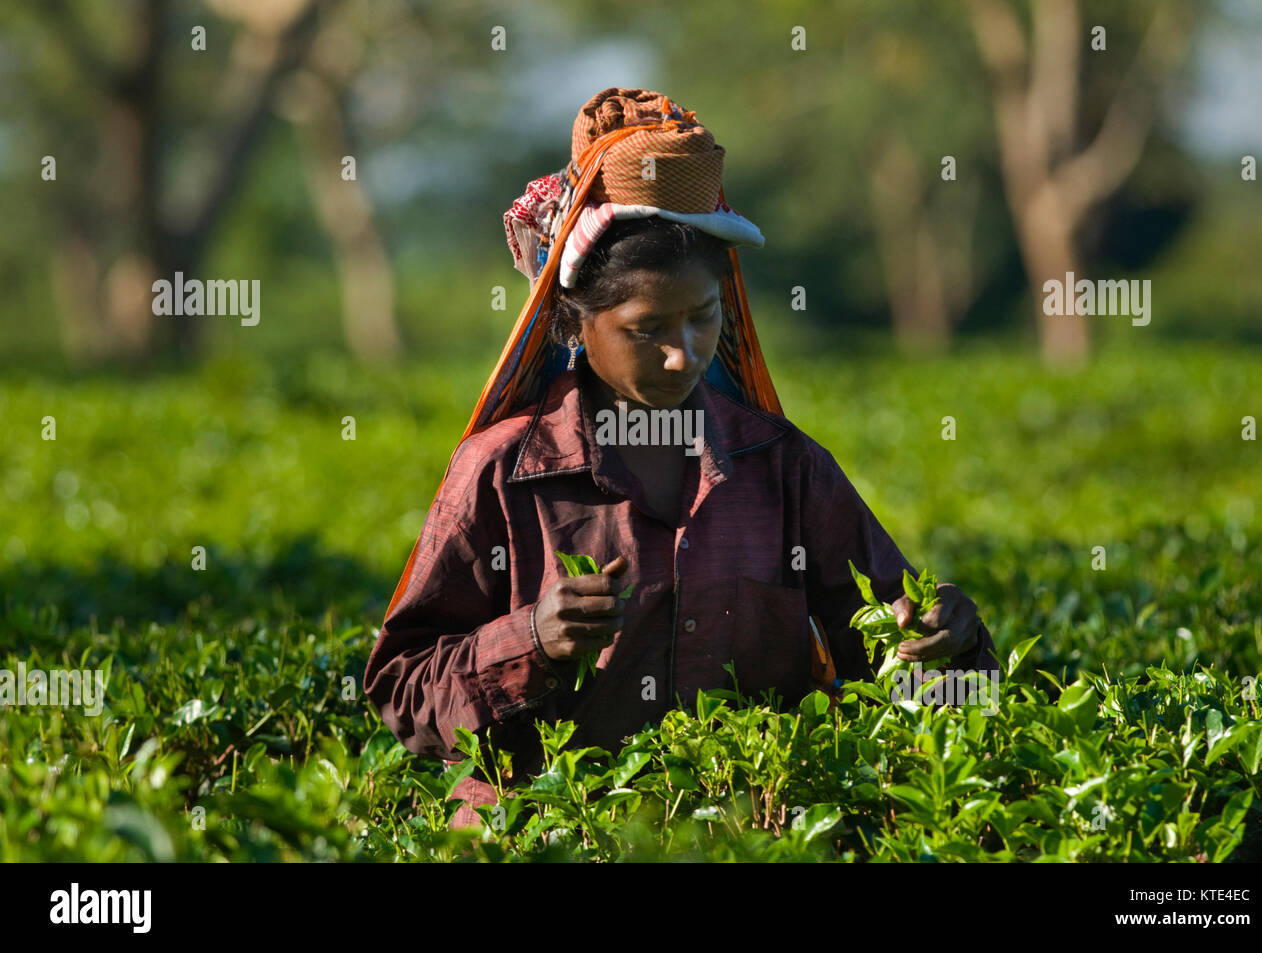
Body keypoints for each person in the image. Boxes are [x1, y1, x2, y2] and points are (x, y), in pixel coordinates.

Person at [363, 87, 1000, 830]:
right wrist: (531, 639)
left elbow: (911, 683)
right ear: (576, 322)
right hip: (550, 840)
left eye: (702, 318)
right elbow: (399, 690)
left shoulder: (783, 469)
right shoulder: (504, 472)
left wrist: (950, 642)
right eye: (646, 328)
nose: (681, 354)